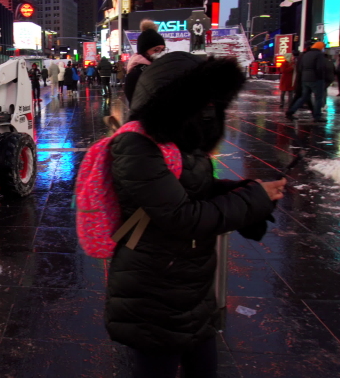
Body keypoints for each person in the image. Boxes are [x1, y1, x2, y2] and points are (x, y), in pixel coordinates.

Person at [107, 52, 282, 378]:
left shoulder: (185, 141)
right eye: (201, 102)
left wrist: (247, 191)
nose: (209, 112)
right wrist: (251, 201)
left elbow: (197, 189)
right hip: (154, 289)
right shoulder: (136, 146)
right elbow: (182, 215)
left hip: (192, 285)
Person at [125, 20, 165, 104]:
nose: (160, 53)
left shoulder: (161, 68)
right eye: (156, 50)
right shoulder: (136, 74)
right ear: (144, 51)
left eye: (163, 50)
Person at [286, 42, 327, 122]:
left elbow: (300, 67)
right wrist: (321, 77)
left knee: (303, 97)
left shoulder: (306, 54)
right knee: (318, 98)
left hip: (305, 79)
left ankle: (291, 111)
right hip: (316, 79)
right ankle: (317, 116)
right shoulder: (319, 55)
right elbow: (320, 68)